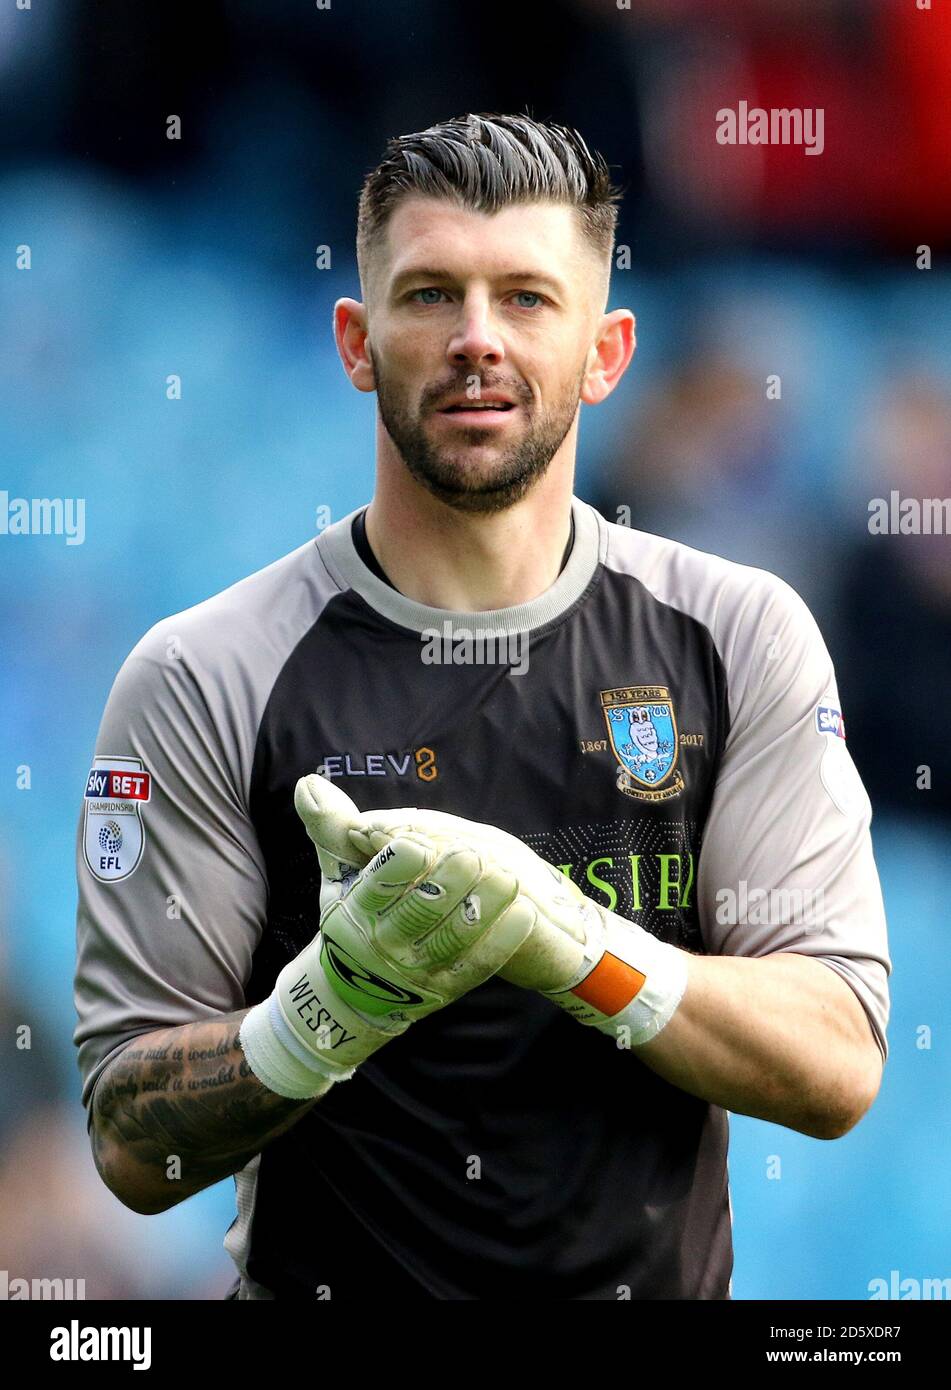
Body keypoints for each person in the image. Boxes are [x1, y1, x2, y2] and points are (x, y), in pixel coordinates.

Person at [74, 112, 890, 1301]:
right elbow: (133, 1146)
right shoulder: (205, 673)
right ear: (356, 341)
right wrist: (325, 1009)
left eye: (525, 298)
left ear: (607, 354)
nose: (475, 341)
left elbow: (837, 1063)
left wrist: (579, 946)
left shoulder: (741, 636)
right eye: (429, 297)